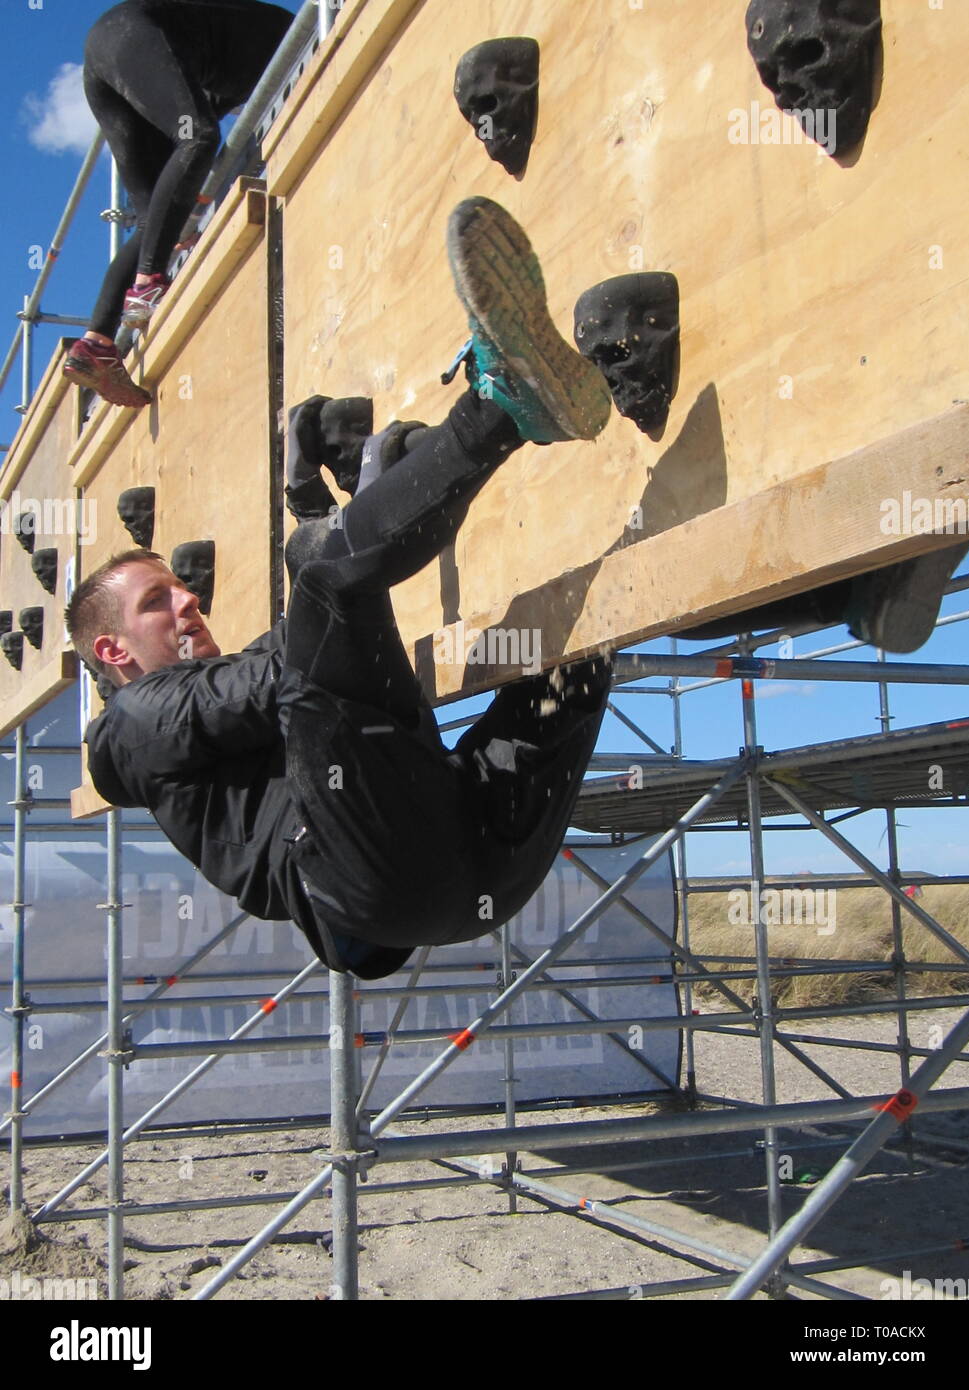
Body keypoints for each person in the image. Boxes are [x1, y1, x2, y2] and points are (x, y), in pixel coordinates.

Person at [65, 197, 614, 979]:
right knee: (322, 574)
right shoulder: (135, 721)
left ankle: (846, 601)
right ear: (113, 649)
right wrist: (339, 534)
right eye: (157, 602)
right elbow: (301, 644)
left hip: (474, 866)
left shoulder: (200, 717)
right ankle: (500, 405)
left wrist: (351, 513)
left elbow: (319, 663)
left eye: (181, 589)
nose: (190, 601)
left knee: (584, 647)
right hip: (386, 876)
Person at [62, 0, 294, 410]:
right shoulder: (293, 40)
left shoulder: (227, 63)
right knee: (199, 137)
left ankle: (96, 343)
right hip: (131, 36)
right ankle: (149, 281)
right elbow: (197, 132)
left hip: (107, 61)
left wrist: (181, 209)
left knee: (158, 218)